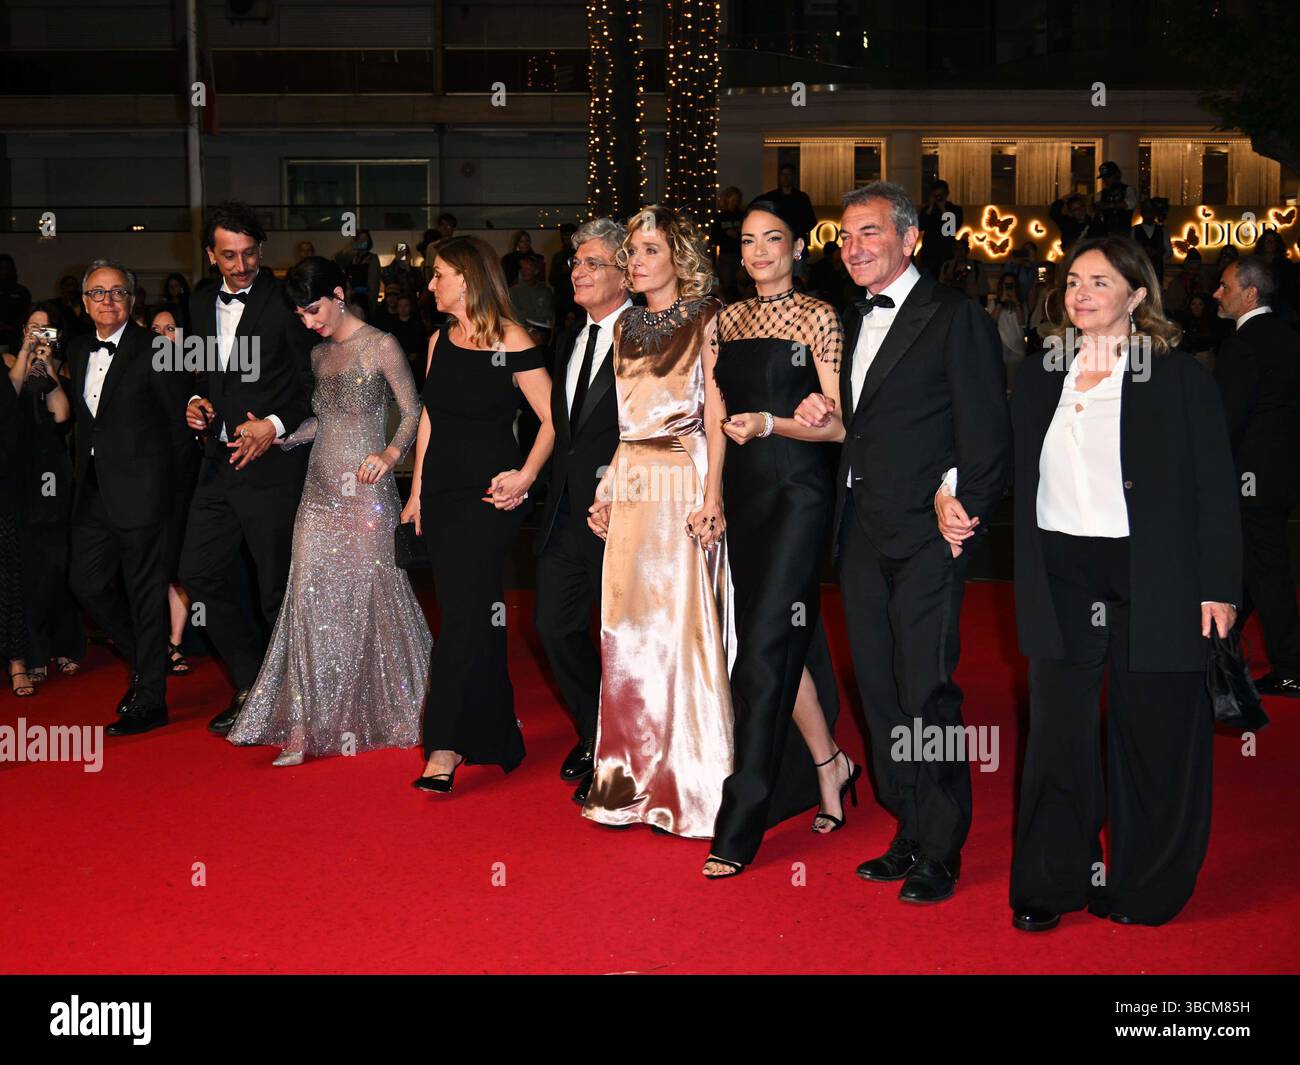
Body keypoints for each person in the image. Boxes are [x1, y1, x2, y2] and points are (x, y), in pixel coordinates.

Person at [958, 236, 1240, 931]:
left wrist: (1219, 586)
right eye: (1075, 281)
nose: (1082, 294)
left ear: (1138, 296)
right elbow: (1000, 455)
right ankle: (1052, 881)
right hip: (1061, 570)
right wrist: (951, 490)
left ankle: (1147, 884)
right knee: (1059, 731)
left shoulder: (1175, 377)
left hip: (1156, 572)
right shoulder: (1040, 372)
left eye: (1102, 282)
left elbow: (1216, 489)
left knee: (1154, 730)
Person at [794, 182, 1011, 904]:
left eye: (869, 233)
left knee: (930, 692)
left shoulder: (956, 318)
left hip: (926, 533)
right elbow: (863, 418)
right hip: (859, 532)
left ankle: (943, 846)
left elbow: (986, 434)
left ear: (910, 239)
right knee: (882, 690)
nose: (853, 248)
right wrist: (826, 409)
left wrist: (962, 507)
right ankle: (909, 825)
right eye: (845, 237)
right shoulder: (848, 321)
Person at [228, 258, 430, 764]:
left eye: (313, 310)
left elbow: (412, 411)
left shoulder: (381, 345)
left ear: (339, 294)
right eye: (300, 315)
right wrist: (279, 435)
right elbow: (325, 423)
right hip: (318, 492)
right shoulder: (318, 356)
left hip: (366, 495)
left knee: (372, 595)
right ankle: (303, 727)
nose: (309, 322)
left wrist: (389, 455)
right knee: (307, 595)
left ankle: (400, 706)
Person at [700, 199, 849, 879]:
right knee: (777, 640)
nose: (759, 251)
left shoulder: (817, 315)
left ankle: (743, 814)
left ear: (797, 248)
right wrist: (710, 497)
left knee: (759, 650)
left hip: (799, 493)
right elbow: (714, 419)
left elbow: (840, 426)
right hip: (745, 497)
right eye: (749, 241)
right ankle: (830, 766)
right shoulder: (722, 321)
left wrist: (775, 424)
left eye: (773, 239)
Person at [583, 205, 731, 837]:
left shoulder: (707, 317)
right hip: (636, 480)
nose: (634, 262)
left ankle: (694, 783)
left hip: (685, 475)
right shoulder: (625, 327)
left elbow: (718, 413)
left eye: (647, 250)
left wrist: (713, 496)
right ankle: (627, 781)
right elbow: (624, 424)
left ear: (679, 257)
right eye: (632, 252)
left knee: (682, 630)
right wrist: (608, 491)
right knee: (625, 629)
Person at [401, 236, 553, 791]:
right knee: (474, 614)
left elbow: (552, 418)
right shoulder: (440, 339)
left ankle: (443, 745)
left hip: (491, 498)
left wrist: (527, 475)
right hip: (441, 495)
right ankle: (495, 734)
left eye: (438, 274)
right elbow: (429, 418)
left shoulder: (513, 340)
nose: (431, 284)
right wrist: (416, 491)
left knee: (463, 618)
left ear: (466, 278)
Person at [179, 201, 317, 736]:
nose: (241, 266)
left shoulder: (287, 301)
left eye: (250, 253)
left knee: (275, 588)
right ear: (211, 256)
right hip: (217, 463)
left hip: (273, 466)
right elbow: (203, 372)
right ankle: (254, 680)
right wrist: (195, 402)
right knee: (198, 570)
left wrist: (275, 425)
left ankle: (290, 698)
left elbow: (318, 385)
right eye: (229, 256)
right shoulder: (197, 301)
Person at [67, 261, 194, 734]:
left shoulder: (157, 349)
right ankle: (148, 654)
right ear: (84, 303)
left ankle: (150, 699)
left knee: (144, 595)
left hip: (145, 494)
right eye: (97, 293)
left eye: (117, 292)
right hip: (94, 490)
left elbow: (180, 427)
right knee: (86, 582)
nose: (107, 301)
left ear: (132, 299)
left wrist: (172, 496)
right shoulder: (79, 351)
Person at [534, 218, 633, 802]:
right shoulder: (570, 337)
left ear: (626, 272)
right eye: (576, 262)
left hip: (624, 510)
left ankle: (621, 749)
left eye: (594, 263)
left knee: (622, 637)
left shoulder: (648, 337)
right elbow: (560, 428)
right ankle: (595, 728)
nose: (578, 271)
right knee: (553, 625)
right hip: (565, 511)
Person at [1213, 256, 1300, 698]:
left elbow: (1227, 419)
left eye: (1225, 287)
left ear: (1250, 293)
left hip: (1250, 476)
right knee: (1254, 566)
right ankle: (1219, 649)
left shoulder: (1243, 345)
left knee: (1267, 572)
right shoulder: (1289, 338)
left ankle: (1291, 667)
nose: (1216, 293)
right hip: (1280, 475)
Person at [4, 305, 83, 687]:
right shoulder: (8, 362)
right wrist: (23, 353)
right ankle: (33, 652)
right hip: (18, 471)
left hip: (52, 469)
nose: (39, 333)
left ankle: (64, 644)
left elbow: (63, 415)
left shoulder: (61, 368)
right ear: (23, 329)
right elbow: (11, 394)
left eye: (45, 328)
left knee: (58, 561)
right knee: (26, 565)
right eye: (32, 327)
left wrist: (48, 366)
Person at [148, 308, 200, 675]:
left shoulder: (204, 377)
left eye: (171, 328)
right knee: (156, 565)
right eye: (155, 330)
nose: (164, 335)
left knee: (184, 565)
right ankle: (160, 644)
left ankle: (177, 642)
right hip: (150, 481)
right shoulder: (140, 375)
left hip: (193, 480)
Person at [762, 164, 818, 257]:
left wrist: (797, 231)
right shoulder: (771, 197)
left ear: (793, 177)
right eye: (783, 175)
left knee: (798, 270)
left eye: (789, 175)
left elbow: (811, 220)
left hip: (797, 242)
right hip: (777, 243)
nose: (786, 178)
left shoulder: (802, 197)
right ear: (779, 177)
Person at [916, 179, 964, 279]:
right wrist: (930, 208)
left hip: (946, 253)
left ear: (946, 194)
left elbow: (951, 229)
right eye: (935, 195)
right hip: (929, 254)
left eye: (940, 195)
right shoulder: (928, 210)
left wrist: (943, 210)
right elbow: (920, 226)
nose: (938, 198)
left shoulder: (955, 210)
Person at [989, 270, 1028, 390]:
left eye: (1011, 285)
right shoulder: (994, 302)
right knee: (1000, 382)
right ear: (1002, 286)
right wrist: (1001, 301)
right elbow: (991, 322)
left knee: (1014, 383)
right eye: (1006, 285)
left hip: (1017, 346)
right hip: (1000, 345)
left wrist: (1016, 302)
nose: (1009, 287)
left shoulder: (1021, 303)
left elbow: (1022, 323)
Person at [710, 187, 745, 301]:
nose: (734, 203)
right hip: (725, 256)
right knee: (727, 285)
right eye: (732, 200)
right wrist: (726, 235)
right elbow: (714, 238)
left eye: (737, 200)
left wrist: (739, 234)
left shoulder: (742, 216)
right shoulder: (720, 218)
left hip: (740, 254)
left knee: (741, 284)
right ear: (727, 200)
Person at [335, 230, 380, 317]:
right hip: (349, 297)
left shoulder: (372, 258)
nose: (362, 241)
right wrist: (349, 248)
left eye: (365, 239)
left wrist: (372, 304)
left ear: (369, 241)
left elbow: (374, 283)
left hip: (364, 299)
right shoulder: (352, 257)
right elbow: (338, 260)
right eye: (360, 239)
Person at [1132, 199, 1173, 287]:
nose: (1148, 213)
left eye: (1151, 210)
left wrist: (1158, 254)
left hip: (1157, 271)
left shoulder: (1163, 230)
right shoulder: (1135, 230)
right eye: (1146, 210)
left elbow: (1169, 252)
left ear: (1155, 213)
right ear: (1142, 213)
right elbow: (1131, 252)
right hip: (1140, 270)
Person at [1091, 161, 1138, 236]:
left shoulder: (1128, 190)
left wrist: (1108, 205)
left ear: (1117, 174)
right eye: (1104, 177)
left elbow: (1131, 203)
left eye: (1108, 176)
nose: (1105, 180)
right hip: (1106, 235)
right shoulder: (1100, 194)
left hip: (1123, 235)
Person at [0, 254, 32, 354]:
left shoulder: (22, 292)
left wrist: (12, 327)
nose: (4, 271)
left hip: (14, 339)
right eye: (1, 268)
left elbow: (27, 317)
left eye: (7, 267)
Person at [938, 234, 982, 301]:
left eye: (962, 249)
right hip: (951, 302)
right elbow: (940, 287)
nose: (959, 252)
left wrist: (967, 287)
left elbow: (985, 289)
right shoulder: (947, 266)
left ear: (967, 250)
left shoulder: (976, 266)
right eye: (956, 249)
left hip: (969, 303)